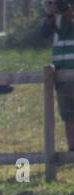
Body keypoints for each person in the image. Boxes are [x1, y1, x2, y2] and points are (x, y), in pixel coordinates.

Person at [42, 0, 74, 150]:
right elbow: (43, 33)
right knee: (68, 114)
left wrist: (70, 14)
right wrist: (50, 15)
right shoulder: (55, 19)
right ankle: (72, 150)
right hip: (60, 74)